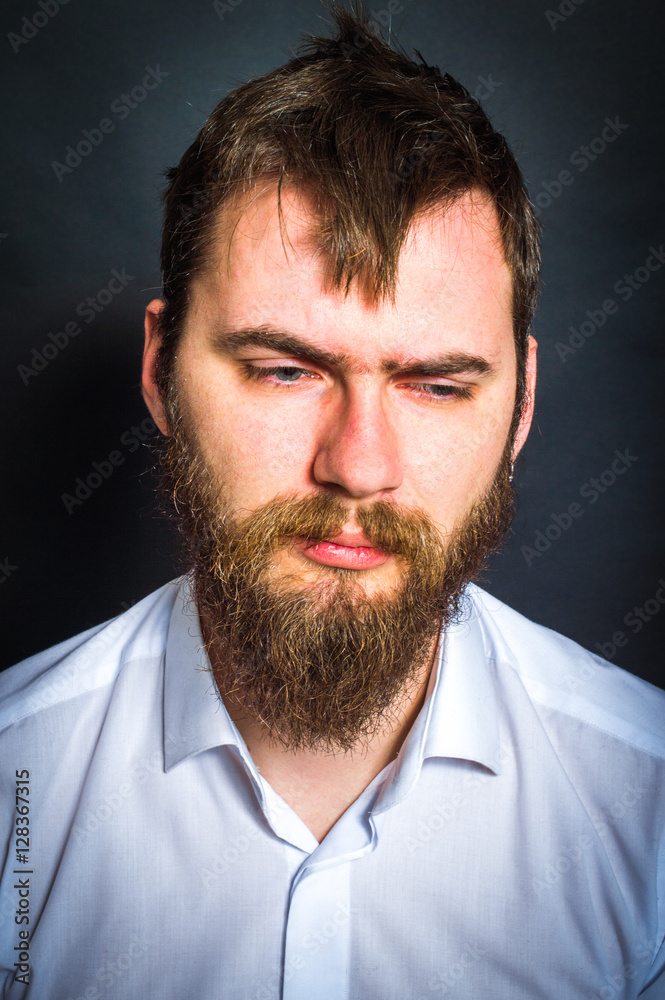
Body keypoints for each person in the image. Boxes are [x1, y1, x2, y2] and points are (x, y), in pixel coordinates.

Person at [1, 6, 663, 998]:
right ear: (158, 371)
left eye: (436, 385)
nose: (358, 467)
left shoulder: (646, 808)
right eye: (282, 370)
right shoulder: (15, 783)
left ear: (520, 403)